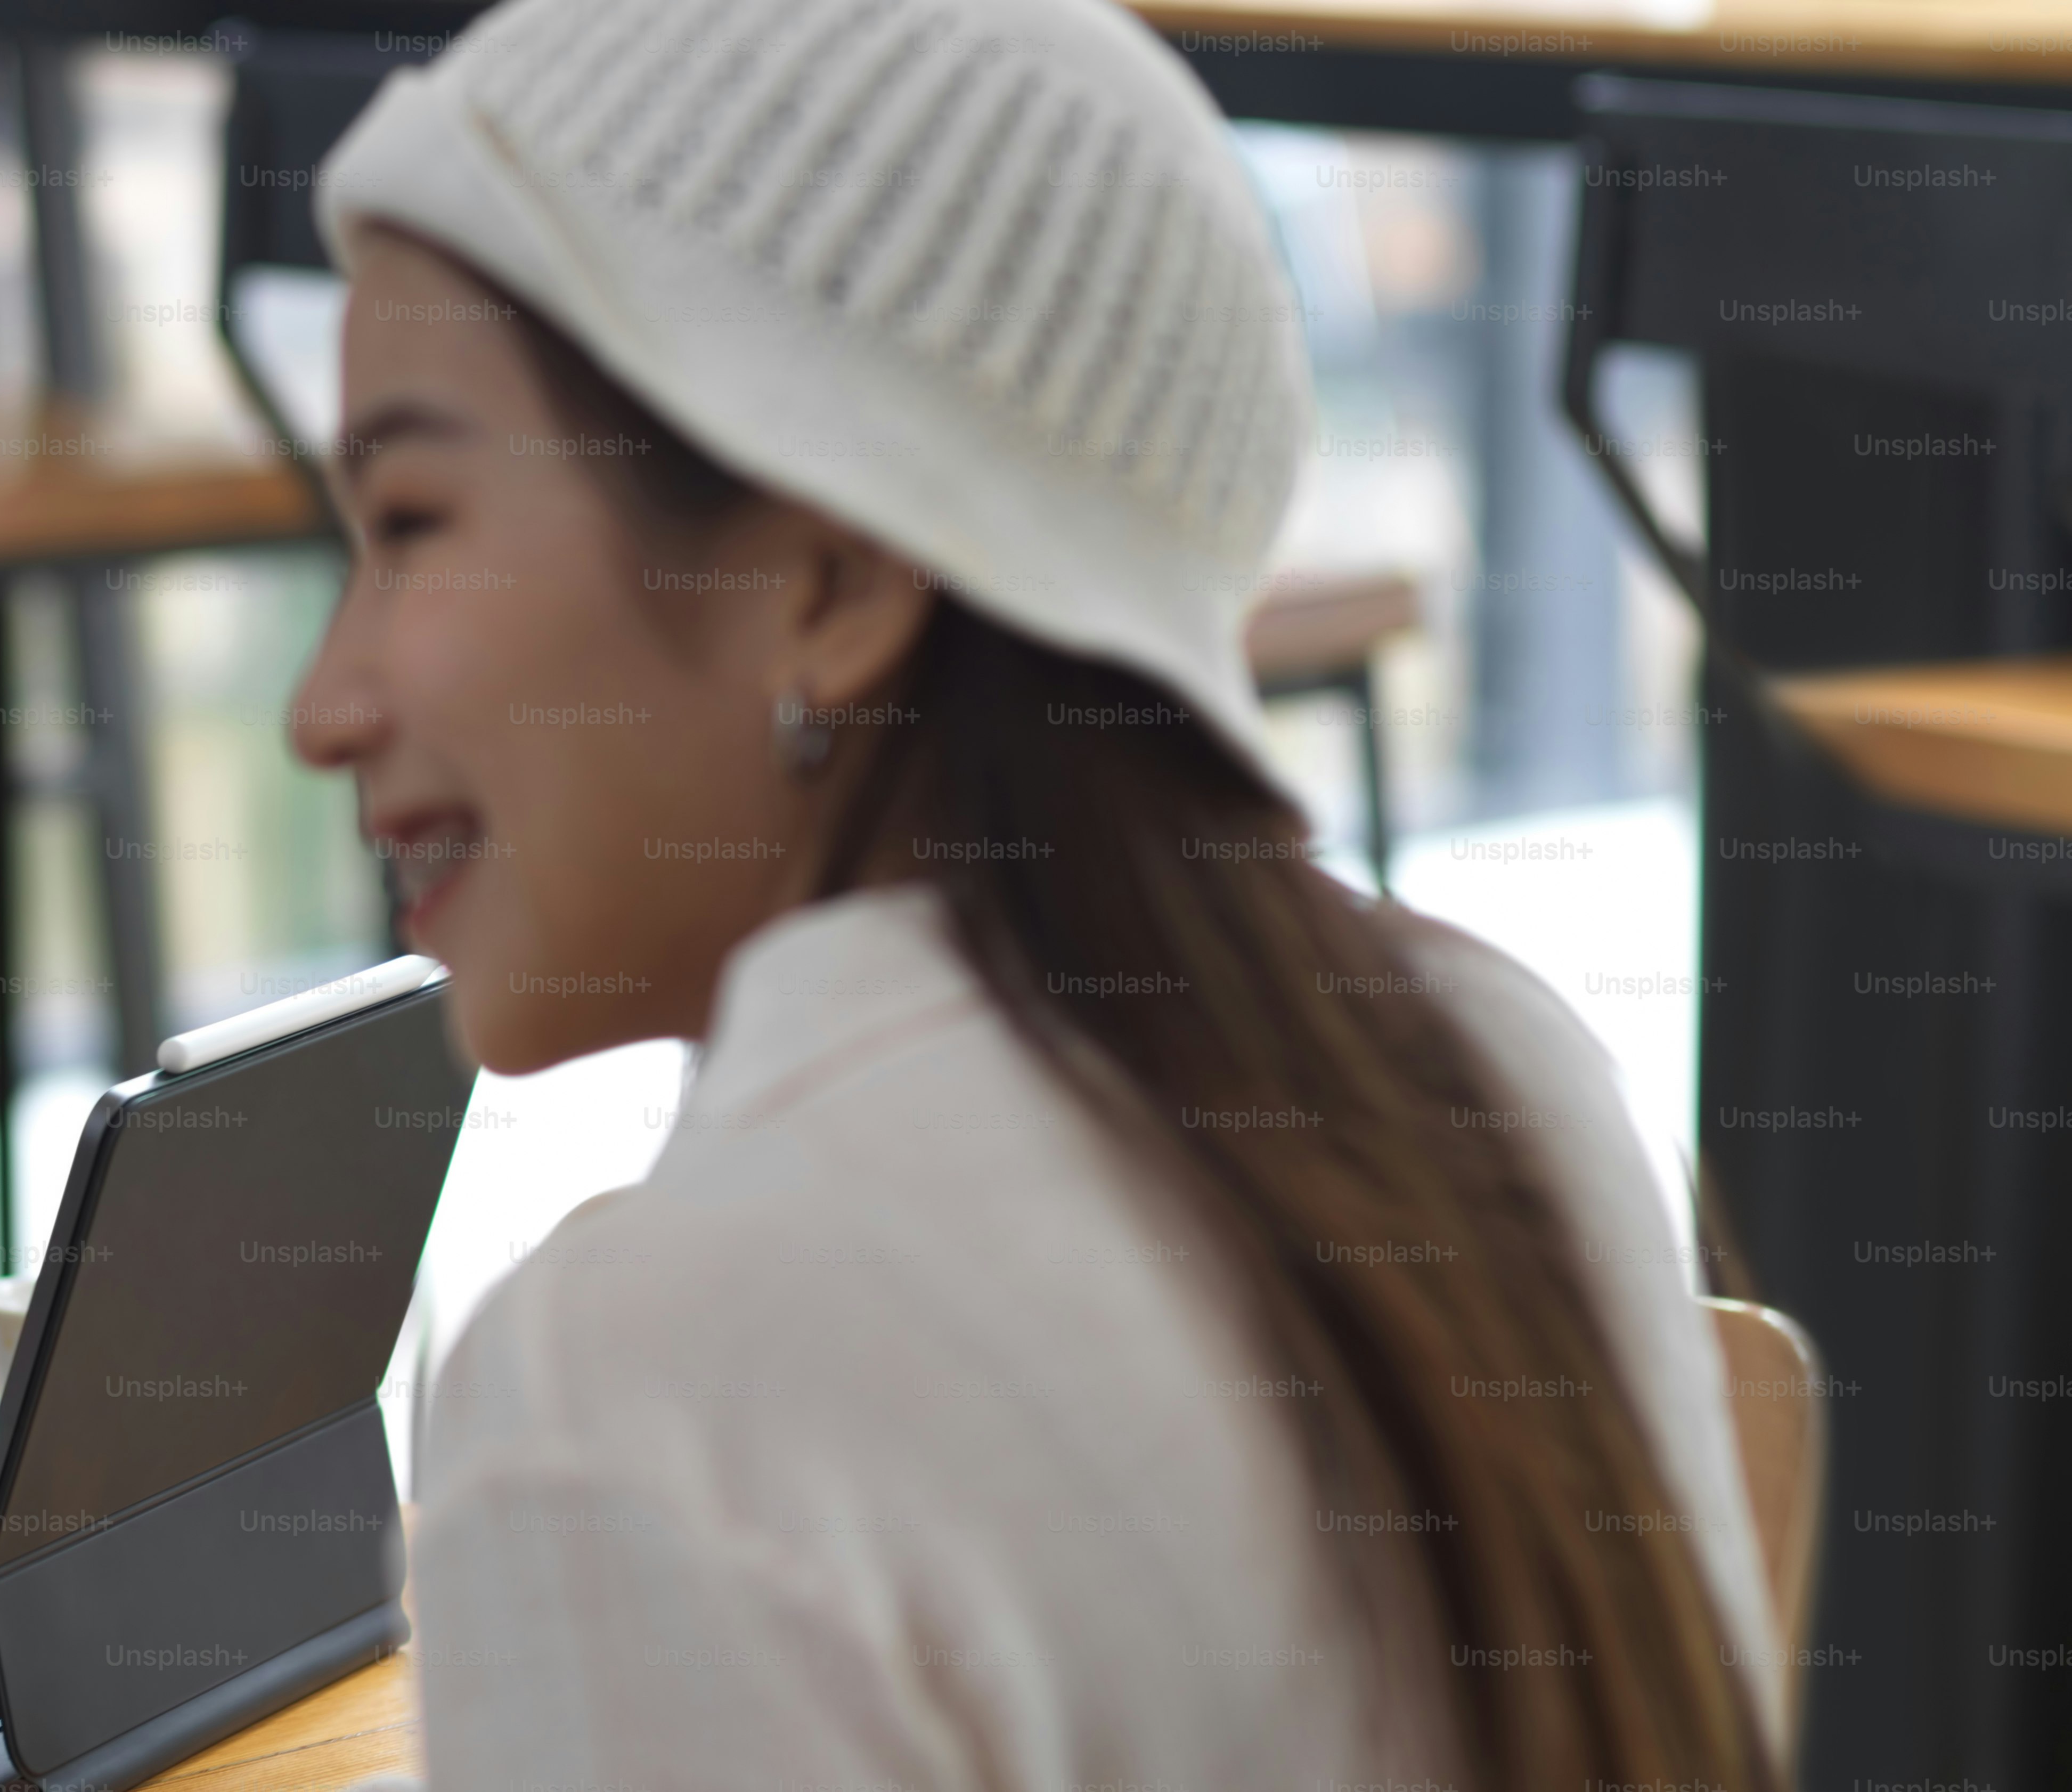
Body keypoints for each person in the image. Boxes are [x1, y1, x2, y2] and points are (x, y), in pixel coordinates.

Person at [284, 2, 1783, 1790]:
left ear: (826, 582)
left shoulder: (653, 1390)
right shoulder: (1497, 1068)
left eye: (414, 522)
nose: (323, 704)